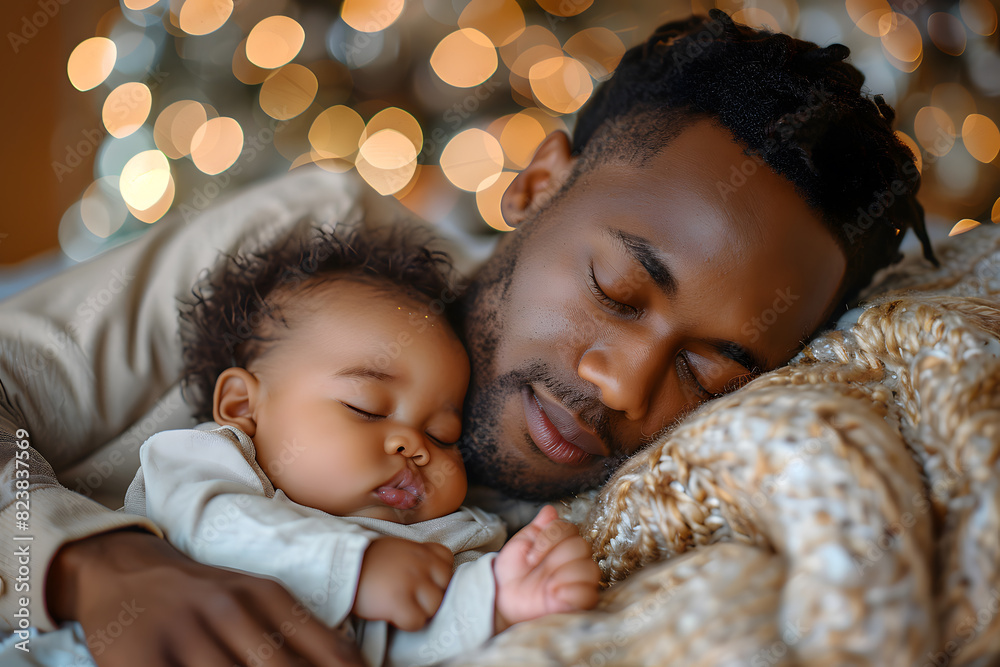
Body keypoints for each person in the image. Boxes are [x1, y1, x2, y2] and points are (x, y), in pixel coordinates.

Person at [0, 10, 936, 667]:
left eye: (707, 369)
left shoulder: (656, 509)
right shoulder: (305, 256)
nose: (622, 385)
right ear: (534, 189)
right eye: (615, 290)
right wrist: (98, 564)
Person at [33, 223, 599, 667]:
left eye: (442, 435)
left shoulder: (438, 540)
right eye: (366, 409)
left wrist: (496, 599)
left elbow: (395, 645)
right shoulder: (205, 465)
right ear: (242, 406)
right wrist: (353, 567)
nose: (414, 446)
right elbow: (211, 528)